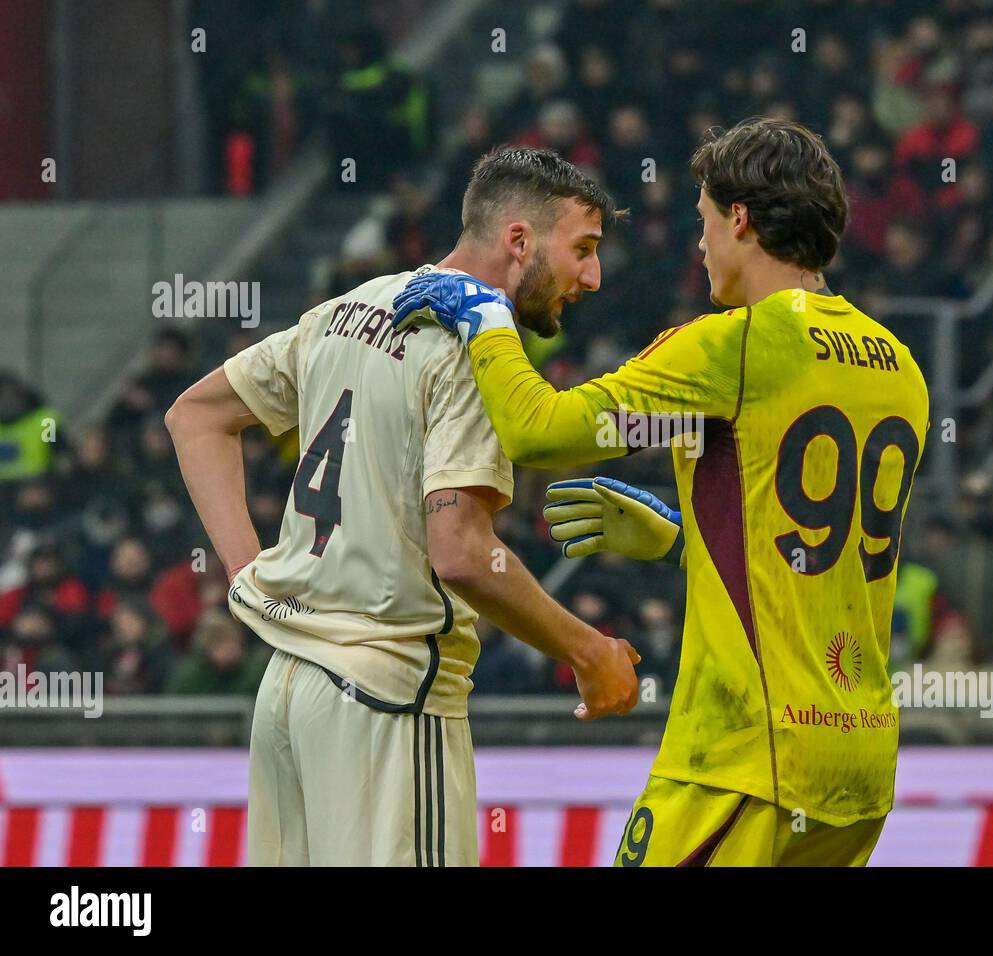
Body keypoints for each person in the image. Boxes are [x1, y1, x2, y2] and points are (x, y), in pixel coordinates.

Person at [395, 119, 931, 866]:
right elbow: (814, 556)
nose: (701, 243)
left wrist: (483, 320)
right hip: (858, 763)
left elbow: (540, 431)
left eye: (705, 221)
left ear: (740, 219)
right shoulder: (899, 367)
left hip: (742, 758)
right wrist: (685, 538)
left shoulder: (731, 345)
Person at [165, 147, 640, 867]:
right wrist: (589, 649)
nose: (593, 276)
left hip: (287, 689)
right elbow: (460, 551)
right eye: (583, 249)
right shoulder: (478, 349)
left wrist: (244, 571)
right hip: (387, 696)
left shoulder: (351, 306)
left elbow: (193, 418)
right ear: (519, 240)